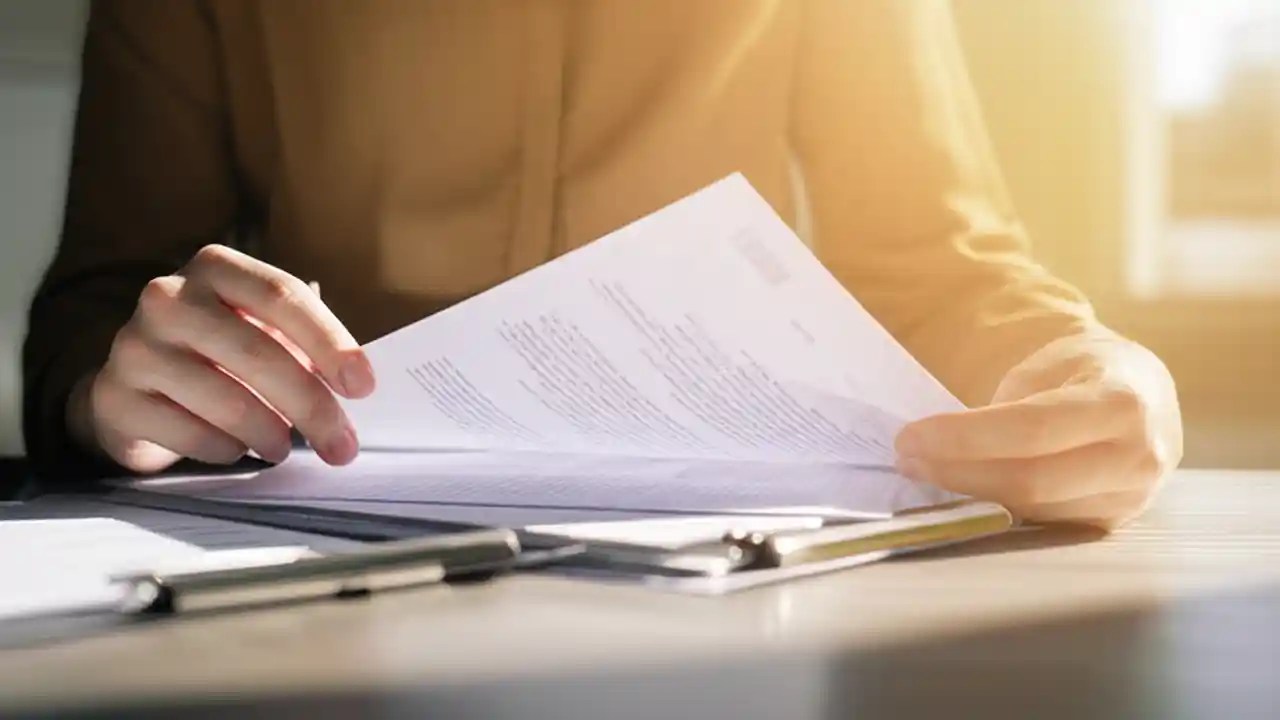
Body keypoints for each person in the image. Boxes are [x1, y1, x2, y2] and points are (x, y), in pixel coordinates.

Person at [23, 0, 1182, 528]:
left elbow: (942, 265)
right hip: (303, 544)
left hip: (726, 560)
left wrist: (1080, 361)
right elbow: (101, 306)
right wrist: (117, 401)